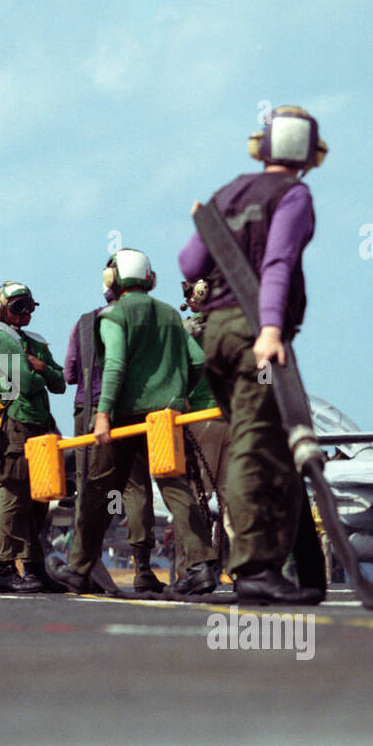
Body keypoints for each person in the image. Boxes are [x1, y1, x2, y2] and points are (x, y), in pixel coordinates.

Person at [176, 104, 329, 605]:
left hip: (215, 335)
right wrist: (269, 329)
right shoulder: (295, 195)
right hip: (251, 337)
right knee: (253, 447)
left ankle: (297, 569)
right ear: (309, 155)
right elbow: (279, 262)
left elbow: (190, 261)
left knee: (273, 449)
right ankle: (254, 569)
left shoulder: (228, 193)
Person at [54, 249, 218, 596]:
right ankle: (202, 566)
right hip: (163, 418)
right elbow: (199, 360)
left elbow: (114, 366)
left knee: (98, 490)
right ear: (149, 278)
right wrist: (178, 393)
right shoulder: (171, 314)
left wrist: (102, 414)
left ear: (113, 279)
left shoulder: (113, 315)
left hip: (124, 422)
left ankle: (78, 569)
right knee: (173, 486)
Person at [65, 288, 160, 593]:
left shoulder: (82, 323)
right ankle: (143, 569)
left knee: (90, 487)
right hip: (128, 412)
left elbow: (68, 374)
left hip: (87, 414)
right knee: (136, 487)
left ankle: (82, 566)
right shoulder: (138, 323)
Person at [0, 281, 66, 594]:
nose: (27, 311)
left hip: (40, 424)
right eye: (19, 306)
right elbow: (28, 383)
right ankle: (4, 568)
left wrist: (42, 367)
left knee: (39, 499)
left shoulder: (34, 340)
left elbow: (60, 382)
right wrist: (42, 371)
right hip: (15, 422)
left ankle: (33, 568)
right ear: (1, 309)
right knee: (13, 494)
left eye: (30, 305)